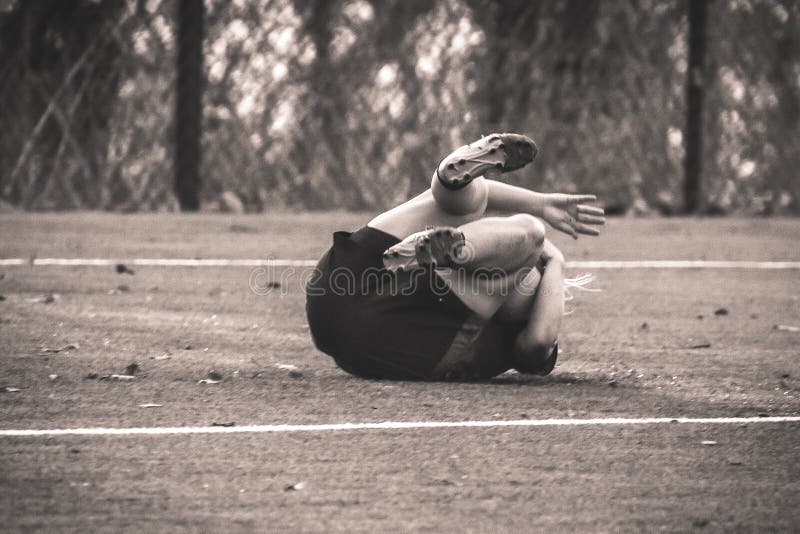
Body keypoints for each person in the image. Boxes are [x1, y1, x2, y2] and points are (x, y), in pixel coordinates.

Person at [306, 133, 605, 381]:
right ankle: (456, 224)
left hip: (329, 297)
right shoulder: (493, 299)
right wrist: (541, 207)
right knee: (504, 220)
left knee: (514, 224)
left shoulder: (517, 316)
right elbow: (539, 343)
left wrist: (553, 256)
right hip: (378, 337)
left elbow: (540, 342)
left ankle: (448, 190)